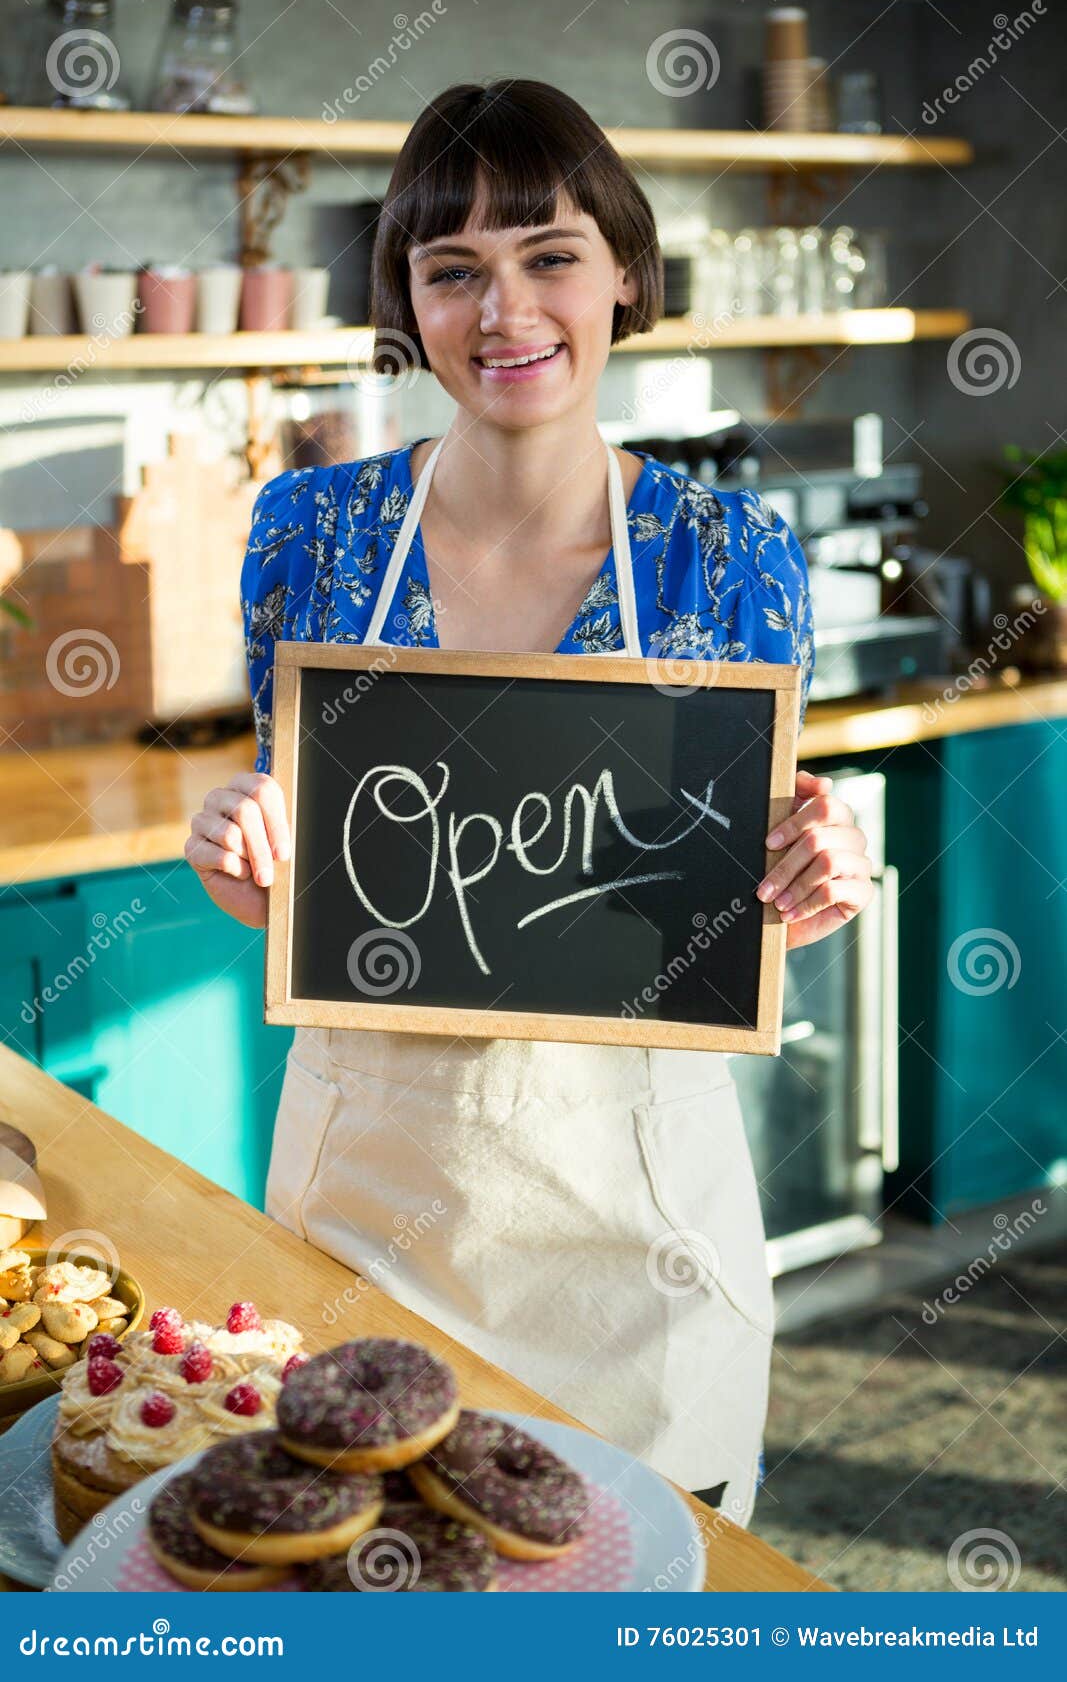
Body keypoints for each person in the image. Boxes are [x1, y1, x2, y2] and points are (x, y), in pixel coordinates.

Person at [185, 79, 873, 1524]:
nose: (505, 312)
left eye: (548, 254)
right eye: (453, 270)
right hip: (369, 1212)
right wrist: (243, 841)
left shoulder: (725, 553)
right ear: (409, 301)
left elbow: (740, 886)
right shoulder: (308, 535)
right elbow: (298, 823)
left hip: (638, 1235)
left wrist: (819, 862)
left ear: (624, 269)